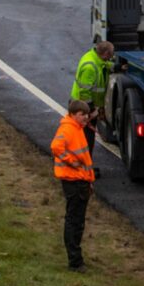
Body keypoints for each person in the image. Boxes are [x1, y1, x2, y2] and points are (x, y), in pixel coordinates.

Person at [51, 99, 96, 271]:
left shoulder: (77, 129)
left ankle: (76, 258)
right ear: (73, 115)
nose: (85, 117)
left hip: (81, 181)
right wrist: (72, 162)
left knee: (78, 221)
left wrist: (89, 180)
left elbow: (84, 159)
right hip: (74, 181)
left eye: (86, 114)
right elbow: (56, 147)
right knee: (74, 221)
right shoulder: (68, 129)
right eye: (82, 114)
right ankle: (75, 261)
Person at [70, 40, 114, 151]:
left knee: (86, 137)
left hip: (84, 105)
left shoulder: (93, 57)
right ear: (105, 54)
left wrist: (115, 66)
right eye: (110, 56)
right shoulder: (90, 67)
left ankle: (85, 163)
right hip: (81, 106)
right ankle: (84, 164)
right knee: (85, 138)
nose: (111, 58)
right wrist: (91, 110)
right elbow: (85, 93)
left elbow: (104, 65)